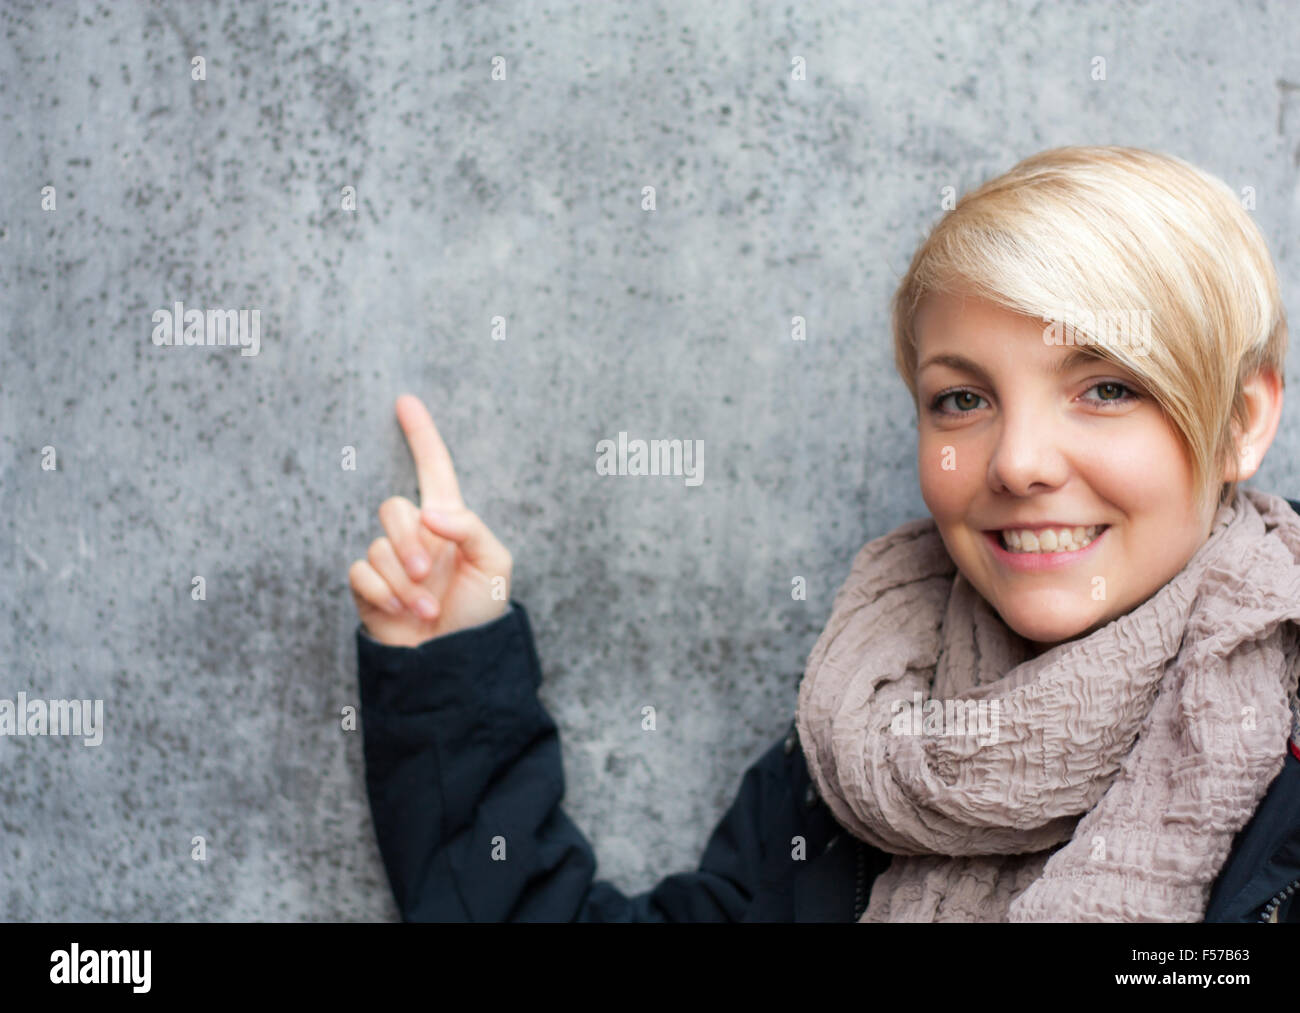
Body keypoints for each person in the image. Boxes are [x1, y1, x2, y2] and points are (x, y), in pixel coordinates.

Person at [348, 146, 1300, 921]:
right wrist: (448, 672)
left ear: (1243, 420)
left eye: (1106, 388)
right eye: (962, 398)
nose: (1018, 462)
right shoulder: (865, 724)